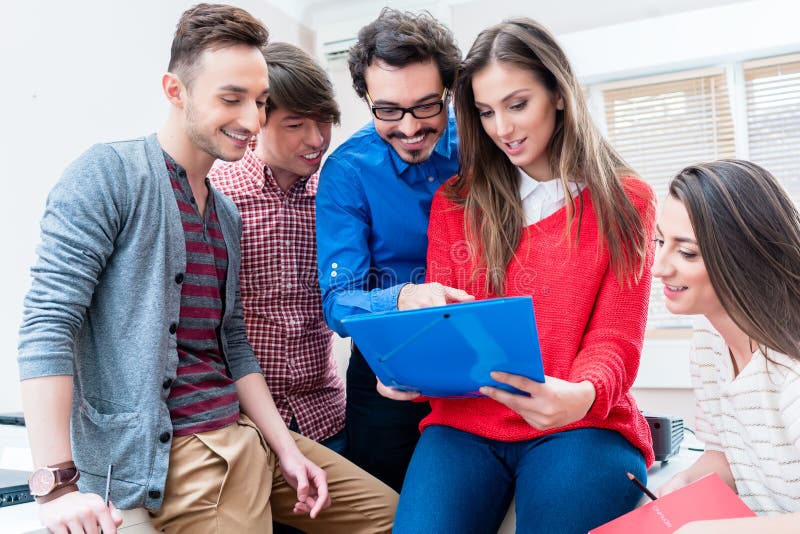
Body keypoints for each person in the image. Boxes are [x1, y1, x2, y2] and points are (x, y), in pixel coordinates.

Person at [16, 4, 397, 533]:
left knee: (394, 518)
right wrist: (57, 485)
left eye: (259, 102)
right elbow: (47, 323)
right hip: (182, 454)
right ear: (175, 91)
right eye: (231, 99)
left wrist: (288, 450)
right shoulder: (110, 175)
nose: (251, 120)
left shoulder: (224, 214)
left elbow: (233, 344)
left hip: (247, 433)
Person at [379, 18, 657, 533]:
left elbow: (616, 337)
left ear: (558, 94)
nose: (501, 129)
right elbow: (450, 324)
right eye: (486, 112)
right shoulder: (454, 203)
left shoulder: (626, 200)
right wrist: (412, 370)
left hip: (580, 422)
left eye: (517, 104)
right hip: (464, 424)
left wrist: (583, 394)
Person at [315, 8, 471, 492]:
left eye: (426, 107)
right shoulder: (347, 171)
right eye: (387, 110)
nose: (409, 127)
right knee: (388, 507)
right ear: (366, 98)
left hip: (478, 350)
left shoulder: (483, 146)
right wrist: (401, 298)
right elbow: (338, 302)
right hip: (387, 368)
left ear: (450, 90)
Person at [209, 42, 346, 454]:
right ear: (258, 119)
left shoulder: (335, 199)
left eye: (324, 121)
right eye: (295, 124)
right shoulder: (216, 194)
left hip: (325, 415)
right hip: (240, 423)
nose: (316, 138)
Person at [651, 159, 800, 533]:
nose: (658, 267)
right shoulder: (708, 342)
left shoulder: (791, 373)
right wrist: (684, 483)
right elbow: (726, 454)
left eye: (687, 252)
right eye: (660, 241)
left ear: (742, 257)